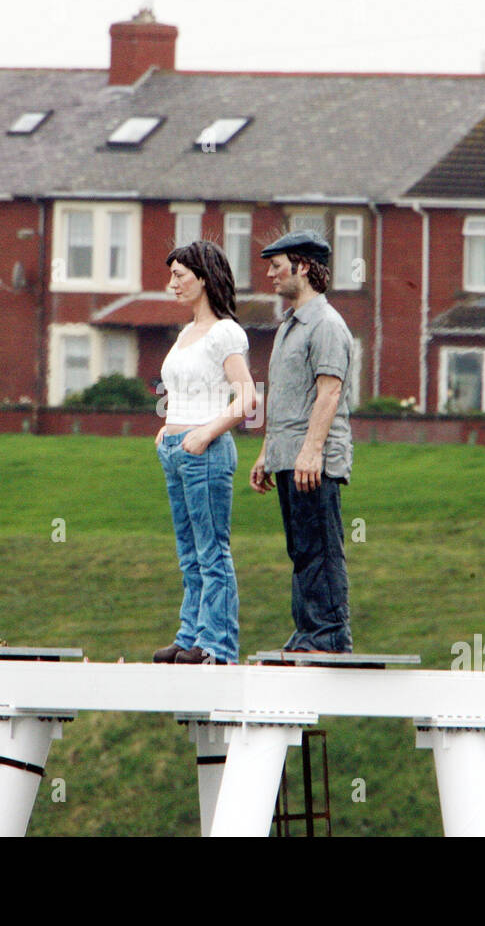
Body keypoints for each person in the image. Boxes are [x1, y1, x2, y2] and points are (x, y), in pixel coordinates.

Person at [249, 230, 354, 653]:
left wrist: (312, 452)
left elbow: (329, 392)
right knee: (301, 549)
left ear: (303, 267)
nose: (271, 275)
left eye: (277, 266)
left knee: (320, 548)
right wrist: (267, 453)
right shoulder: (289, 326)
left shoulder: (326, 324)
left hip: (314, 461)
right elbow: (288, 398)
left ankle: (329, 635)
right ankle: (308, 631)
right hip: (289, 457)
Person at [153, 241, 257, 665]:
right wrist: (169, 429)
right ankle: (190, 634)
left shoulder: (225, 332)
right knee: (189, 552)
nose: (172, 284)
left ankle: (217, 645)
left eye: (180, 275)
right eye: (172, 275)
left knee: (213, 551)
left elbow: (249, 397)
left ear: (203, 277)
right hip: (176, 450)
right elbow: (185, 389)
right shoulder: (185, 334)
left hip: (206, 450)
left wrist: (204, 432)